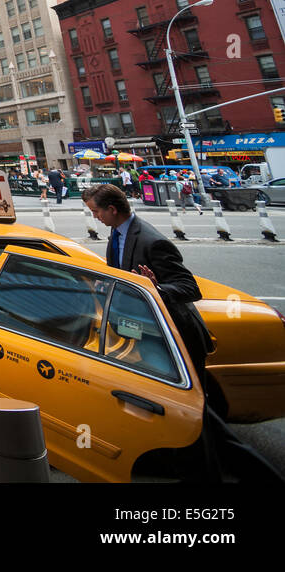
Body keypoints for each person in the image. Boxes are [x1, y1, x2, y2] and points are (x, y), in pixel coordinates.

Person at [82, 184, 280, 482]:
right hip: (154, 339)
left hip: (180, 341)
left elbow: (189, 288)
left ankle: (248, 475)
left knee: (195, 419)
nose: (94, 217)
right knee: (192, 419)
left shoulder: (151, 241)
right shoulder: (118, 234)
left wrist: (156, 288)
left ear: (112, 210)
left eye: (96, 211)